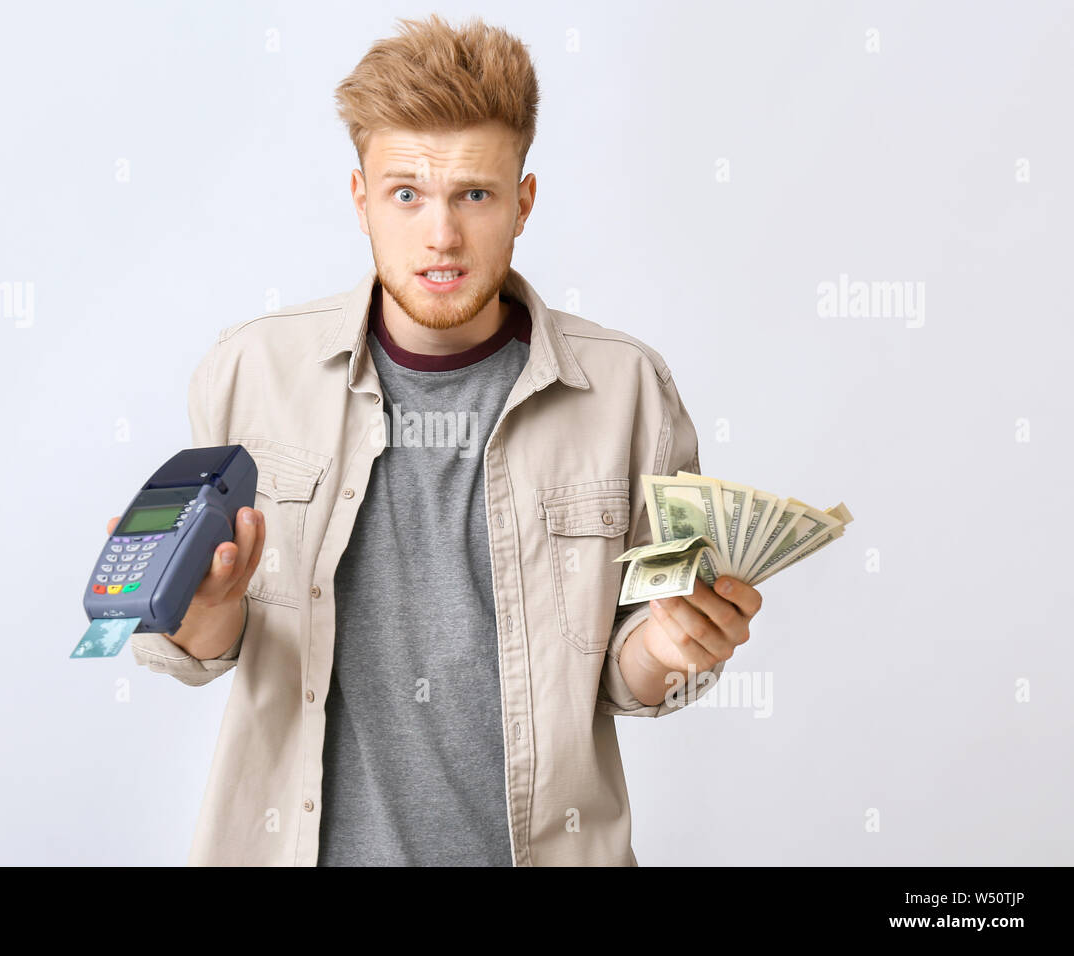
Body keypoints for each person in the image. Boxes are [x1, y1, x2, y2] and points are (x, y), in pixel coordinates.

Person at [112, 13, 762, 866]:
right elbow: (202, 653)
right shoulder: (248, 374)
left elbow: (628, 681)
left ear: (523, 202)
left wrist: (672, 648)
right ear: (361, 200)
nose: (441, 236)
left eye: (475, 195)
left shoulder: (627, 393)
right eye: (406, 194)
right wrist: (203, 611)